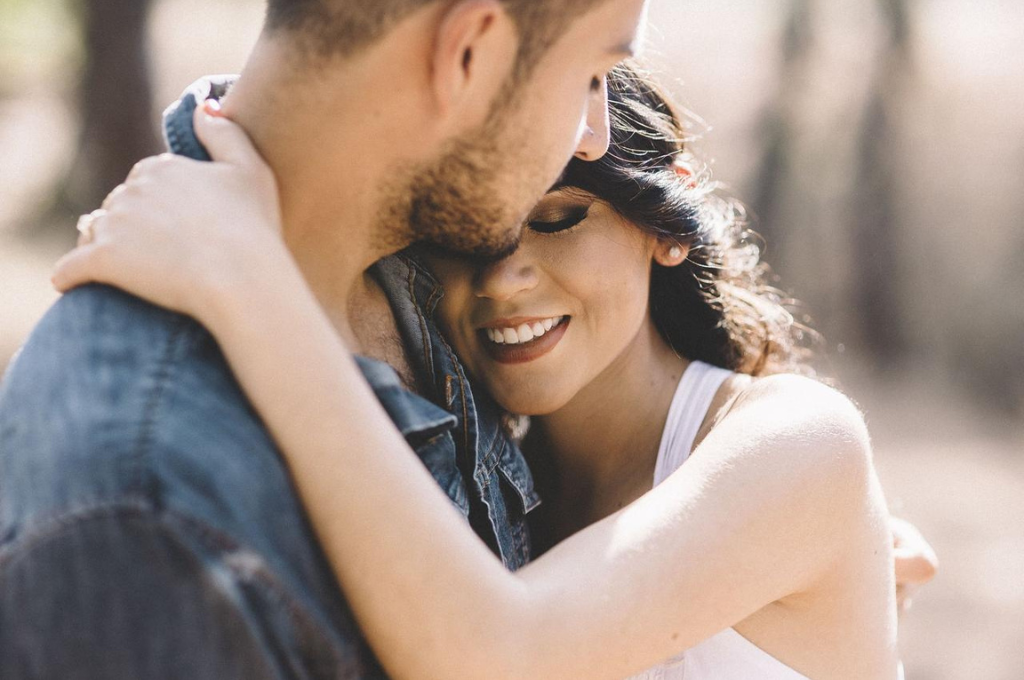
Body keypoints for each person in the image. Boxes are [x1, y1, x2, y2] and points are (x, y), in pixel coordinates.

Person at [50, 64, 936, 679]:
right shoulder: (482, 480)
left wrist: (243, 280)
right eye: (466, 237)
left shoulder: (799, 442)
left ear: (665, 223)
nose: (505, 277)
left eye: (559, 218)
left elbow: (499, 655)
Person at [0, 1, 651, 677]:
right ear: (470, 51)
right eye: (589, 73)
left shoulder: (437, 284)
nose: (595, 139)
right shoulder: (145, 494)